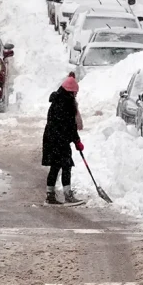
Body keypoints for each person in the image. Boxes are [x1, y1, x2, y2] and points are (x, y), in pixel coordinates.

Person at [42, 74, 84, 205]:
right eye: (75, 93)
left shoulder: (57, 101)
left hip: (51, 138)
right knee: (66, 166)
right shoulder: (66, 104)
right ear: (71, 92)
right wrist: (77, 141)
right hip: (59, 140)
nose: (76, 95)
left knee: (55, 167)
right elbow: (70, 126)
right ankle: (68, 195)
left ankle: (50, 195)